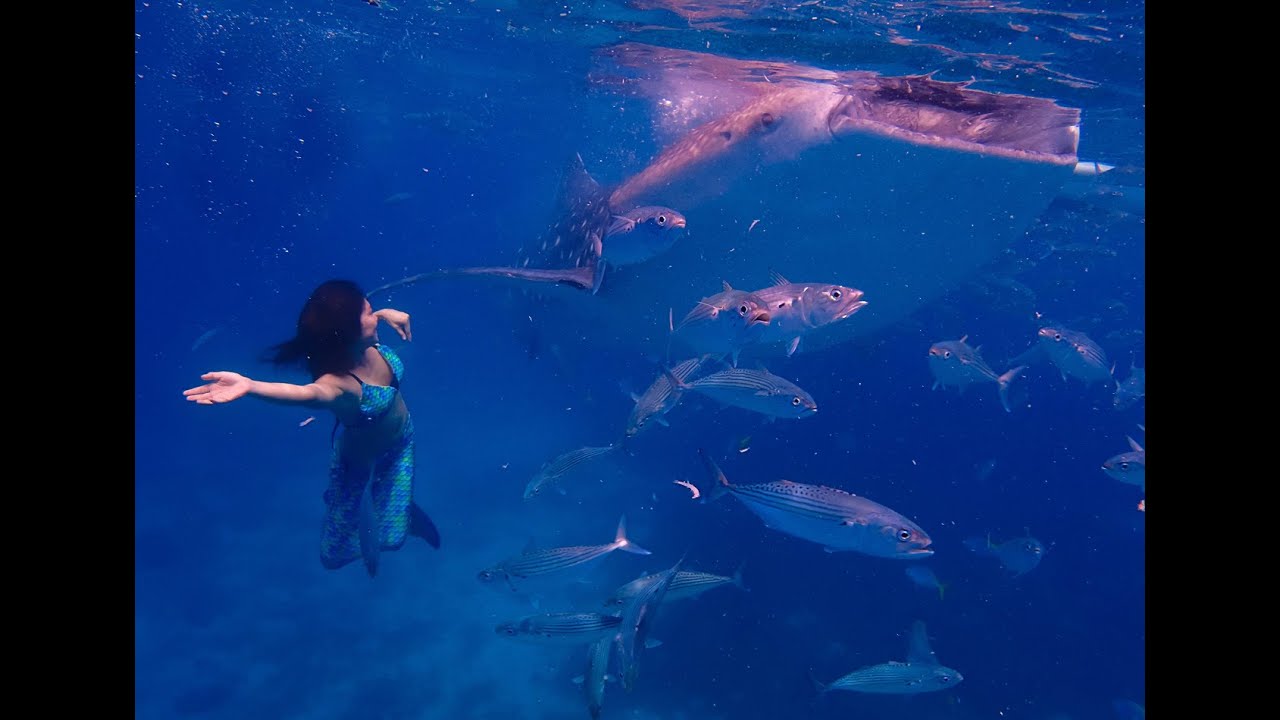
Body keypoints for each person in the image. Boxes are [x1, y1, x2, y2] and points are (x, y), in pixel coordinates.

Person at [183, 279, 440, 573]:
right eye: (369, 313)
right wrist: (251, 386)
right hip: (362, 461)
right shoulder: (339, 384)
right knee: (338, 547)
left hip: (400, 444)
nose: (376, 314)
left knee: (393, 530)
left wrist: (384, 314)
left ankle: (401, 520)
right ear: (348, 331)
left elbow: (360, 317)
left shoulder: (367, 343)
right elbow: (306, 394)